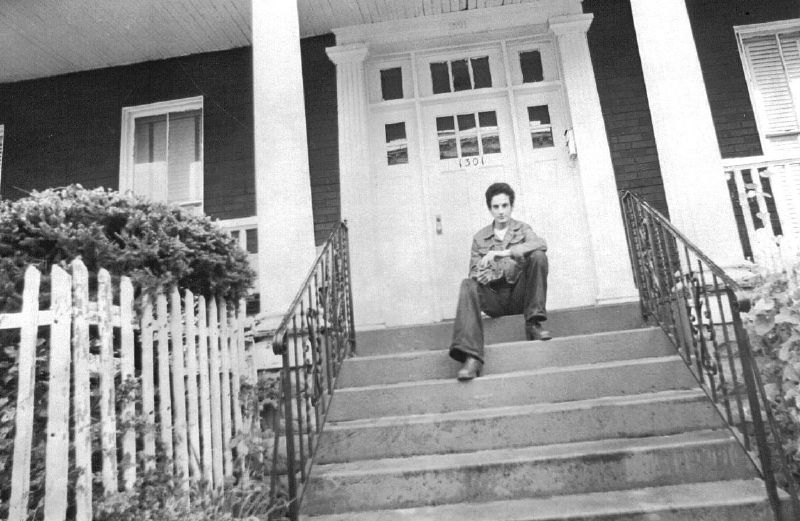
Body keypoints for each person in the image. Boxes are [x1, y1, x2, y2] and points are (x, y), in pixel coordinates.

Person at [449, 182, 551, 381]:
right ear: (490, 209)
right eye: (496, 207)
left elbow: (540, 243)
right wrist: (483, 276)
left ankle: (534, 323)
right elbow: (474, 273)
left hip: (520, 296)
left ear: (511, 206)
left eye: (505, 205)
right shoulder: (480, 238)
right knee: (467, 284)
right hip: (495, 300)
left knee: (538, 256)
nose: (501, 211)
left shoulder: (522, 229)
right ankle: (471, 356)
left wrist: (502, 253)